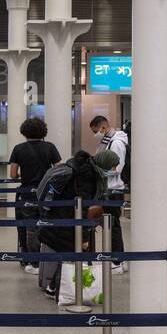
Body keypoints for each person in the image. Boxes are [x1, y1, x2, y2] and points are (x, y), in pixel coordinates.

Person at [37, 149, 108, 297]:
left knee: (68, 253)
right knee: (73, 252)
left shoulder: (75, 168)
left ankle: (55, 286)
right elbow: (81, 209)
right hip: (68, 221)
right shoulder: (87, 178)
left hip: (57, 217)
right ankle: (57, 288)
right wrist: (84, 238)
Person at [9, 117, 60, 273]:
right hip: (47, 193)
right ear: (43, 131)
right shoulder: (50, 147)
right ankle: (49, 258)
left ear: (24, 132)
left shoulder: (18, 149)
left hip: (27, 193)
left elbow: (12, 174)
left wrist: (22, 175)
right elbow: (58, 170)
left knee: (30, 227)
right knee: (48, 225)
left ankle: (33, 262)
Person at [88, 115, 129, 270]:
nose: (95, 134)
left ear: (103, 127)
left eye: (96, 130)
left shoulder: (117, 143)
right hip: (107, 189)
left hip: (113, 189)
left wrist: (98, 172)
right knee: (110, 226)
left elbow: (117, 168)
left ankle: (117, 261)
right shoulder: (107, 141)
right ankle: (118, 259)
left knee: (113, 226)